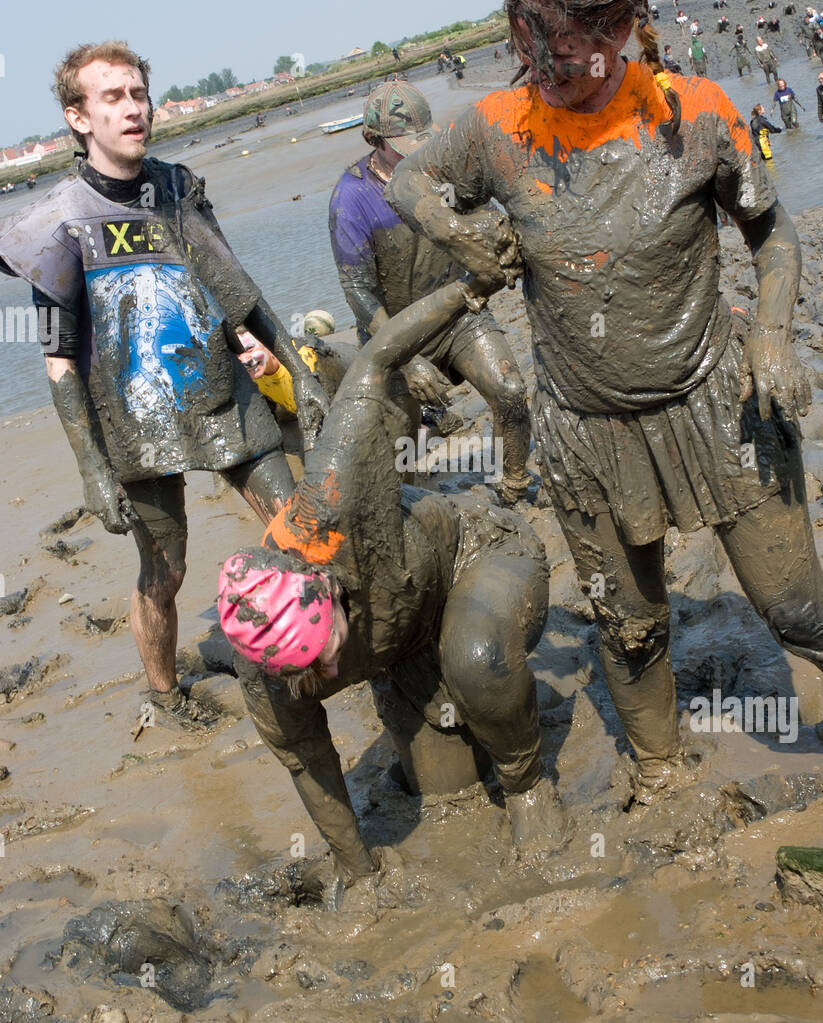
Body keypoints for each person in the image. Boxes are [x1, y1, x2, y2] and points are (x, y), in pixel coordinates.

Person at [388, 0, 823, 801]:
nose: (558, 61)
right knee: (628, 628)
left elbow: (772, 235)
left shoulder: (692, 113)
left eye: (582, 40)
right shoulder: (497, 129)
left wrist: (771, 335)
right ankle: (661, 773)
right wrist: (456, 232)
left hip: (716, 398)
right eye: (536, 41)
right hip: (587, 428)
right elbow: (408, 184)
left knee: (797, 609)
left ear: (623, 25)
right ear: (516, 33)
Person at [0, 42, 326, 730]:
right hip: (132, 420)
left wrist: (299, 374)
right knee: (166, 571)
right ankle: (164, 693)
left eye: (138, 94)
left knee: (302, 529)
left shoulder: (177, 189)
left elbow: (240, 291)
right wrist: (92, 469)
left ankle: (311, 655)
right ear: (78, 117)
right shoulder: (58, 223)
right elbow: (58, 361)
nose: (132, 108)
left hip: (220, 393)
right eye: (111, 97)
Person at [218, 268, 567, 901]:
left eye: (323, 660)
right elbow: (309, 763)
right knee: (450, 791)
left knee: (477, 658)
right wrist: (359, 873)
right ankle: (462, 702)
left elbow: (376, 360)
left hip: (480, 556)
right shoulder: (262, 663)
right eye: (304, 678)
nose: (319, 682)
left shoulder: (330, 499)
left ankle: (529, 782)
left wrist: (469, 287)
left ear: (332, 594)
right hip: (403, 639)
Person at [328, 80, 531, 505]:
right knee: (403, 450)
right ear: (373, 141)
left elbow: (489, 220)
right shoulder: (352, 198)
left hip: (460, 315)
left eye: (421, 141)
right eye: (403, 145)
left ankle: (514, 487)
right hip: (396, 333)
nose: (415, 153)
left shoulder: (444, 169)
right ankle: (420, 511)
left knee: (510, 392)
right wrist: (407, 359)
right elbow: (359, 292)